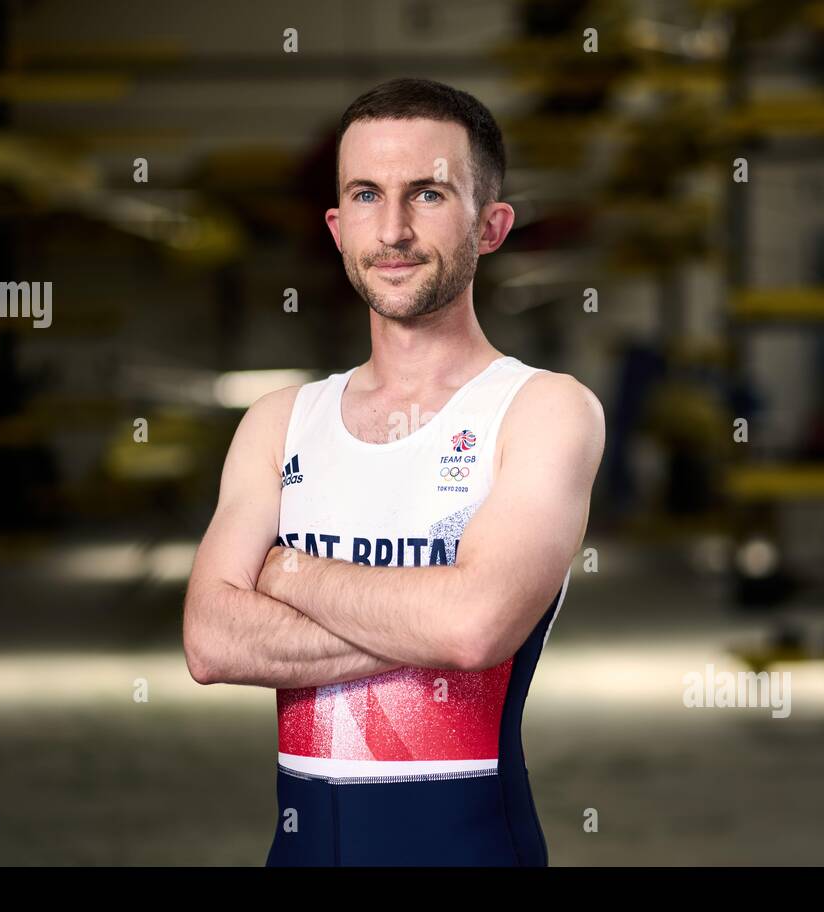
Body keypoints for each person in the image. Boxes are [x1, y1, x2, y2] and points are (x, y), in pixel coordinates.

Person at [183, 77, 605, 866]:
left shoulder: (544, 410)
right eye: (368, 194)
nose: (396, 228)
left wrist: (290, 574)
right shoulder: (279, 423)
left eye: (430, 195)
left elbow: (474, 627)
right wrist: (431, 617)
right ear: (338, 227)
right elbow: (210, 642)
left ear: (492, 225)